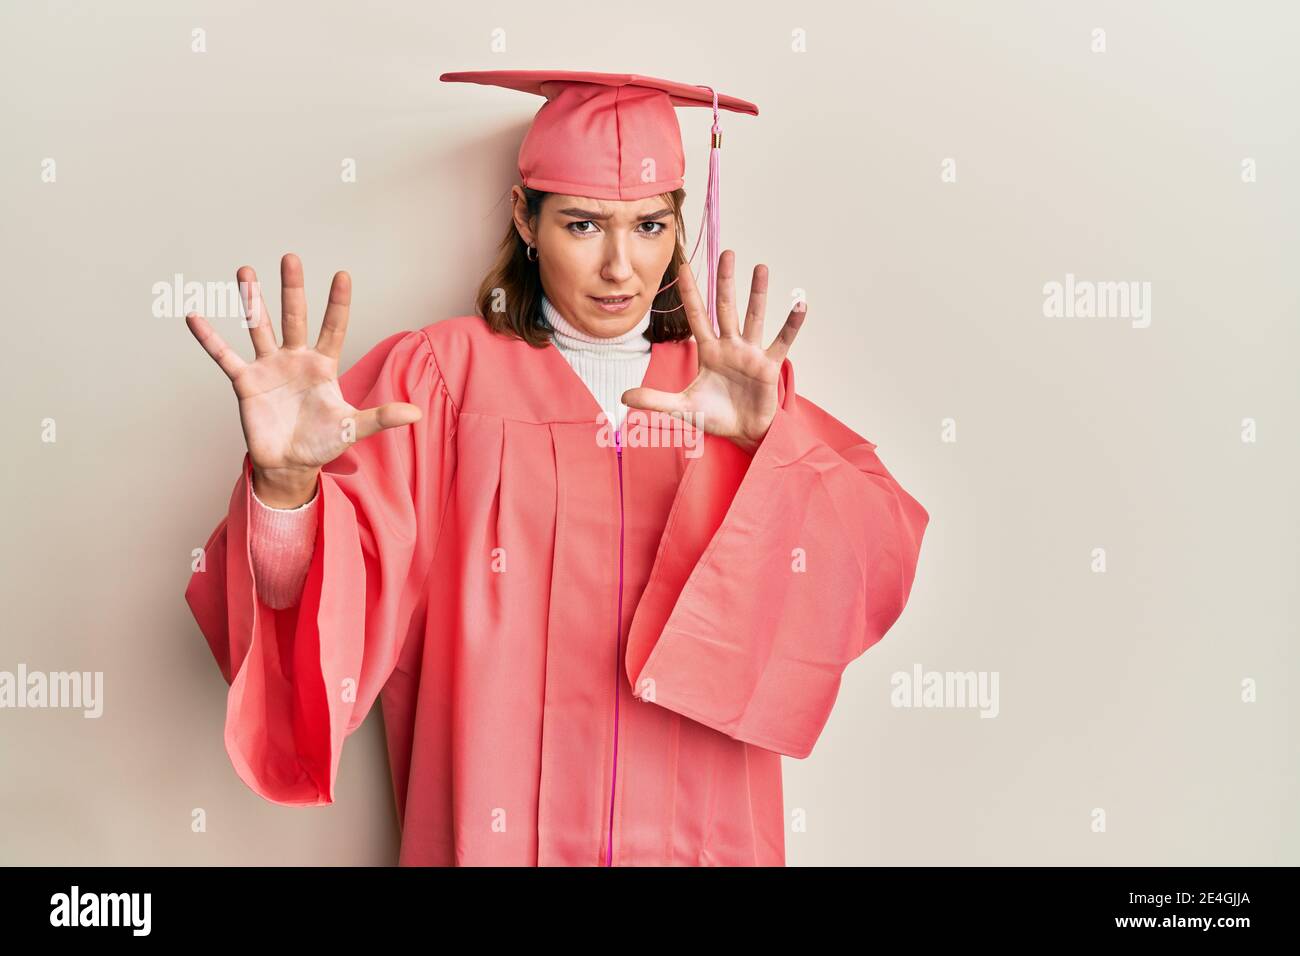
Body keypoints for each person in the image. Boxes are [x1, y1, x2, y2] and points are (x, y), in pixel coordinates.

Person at [183, 69, 929, 866]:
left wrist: (769, 449)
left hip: (698, 839)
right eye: (582, 225)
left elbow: (858, 580)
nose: (620, 267)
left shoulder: (733, 395)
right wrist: (287, 488)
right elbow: (320, 606)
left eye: (649, 226)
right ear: (525, 220)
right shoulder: (438, 382)